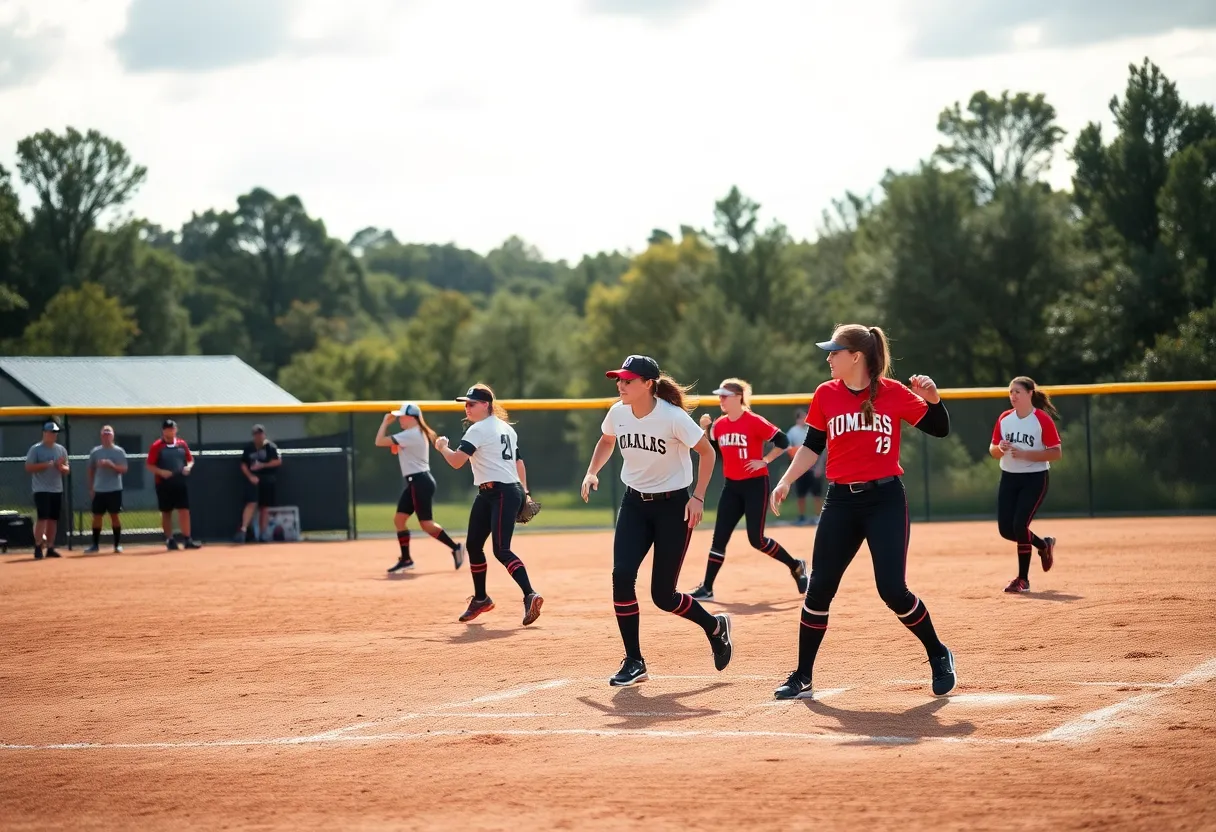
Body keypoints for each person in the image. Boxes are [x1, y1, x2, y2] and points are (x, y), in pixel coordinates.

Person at [770, 325, 956, 700]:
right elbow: (812, 445)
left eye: (834, 351)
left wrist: (934, 399)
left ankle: (938, 653)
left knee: (892, 590)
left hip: (884, 499)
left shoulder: (893, 392)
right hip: (840, 502)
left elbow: (939, 429)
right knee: (819, 588)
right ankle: (803, 675)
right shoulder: (826, 393)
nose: (828, 358)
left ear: (856, 356)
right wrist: (786, 480)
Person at [581, 354, 733, 687]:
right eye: (619, 380)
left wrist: (698, 497)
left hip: (673, 508)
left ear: (648, 384)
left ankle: (715, 627)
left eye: (628, 380)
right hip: (634, 504)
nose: (621, 385)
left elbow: (706, 453)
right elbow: (607, 441)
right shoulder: (618, 413)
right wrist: (592, 472)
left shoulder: (672, 417)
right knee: (621, 576)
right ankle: (635, 661)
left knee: (663, 596)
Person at [688, 378, 808, 602]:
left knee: (757, 540)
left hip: (755, 485)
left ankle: (796, 566)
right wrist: (706, 430)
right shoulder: (720, 425)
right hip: (731, 487)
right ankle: (707, 587)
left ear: (738, 397)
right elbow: (714, 451)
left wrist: (765, 460)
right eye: (720, 396)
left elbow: (783, 441)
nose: (721, 400)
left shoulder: (754, 421)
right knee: (719, 538)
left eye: (725, 396)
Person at [434, 383, 542, 626]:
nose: (467, 407)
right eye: (466, 403)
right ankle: (481, 599)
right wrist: (524, 492)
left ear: (486, 405)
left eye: (472, 403)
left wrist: (442, 448)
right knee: (473, 544)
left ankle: (530, 594)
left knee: (501, 549)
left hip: (502, 492)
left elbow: (456, 462)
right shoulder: (505, 428)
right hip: (493, 493)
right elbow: (519, 462)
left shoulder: (478, 430)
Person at [374, 401, 466, 573]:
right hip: (415, 482)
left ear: (412, 418)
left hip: (420, 482)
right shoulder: (411, 433)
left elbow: (379, 441)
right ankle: (407, 559)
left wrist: (386, 422)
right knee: (399, 520)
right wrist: (398, 444)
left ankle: (456, 547)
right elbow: (394, 449)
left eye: (403, 416)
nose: (400, 419)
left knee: (426, 524)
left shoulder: (412, 434)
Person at [989, 376, 1061, 593]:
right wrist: (999, 448)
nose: (1013, 396)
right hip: (1009, 477)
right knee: (1006, 530)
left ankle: (1023, 579)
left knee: (1020, 525)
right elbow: (992, 450)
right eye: (1011, 392)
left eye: (1018, 391)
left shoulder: (1041, 419)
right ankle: (1043, 544)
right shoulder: (1004, 418)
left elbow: (1056, 453)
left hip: (1035, 478)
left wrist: (1026, 454)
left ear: (1030, 393)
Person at [146, 419, 202, 550]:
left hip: (180, 482)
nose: (170, 430)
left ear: (176, 430)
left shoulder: (182, 444)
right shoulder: (157, 446)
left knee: (184, 511)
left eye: (172, 428)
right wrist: (161, 472)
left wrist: (188, 467)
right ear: (163, 430)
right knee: (166, 512)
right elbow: (149, 465)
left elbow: (190, 459)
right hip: (164, 484)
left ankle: (187, 539)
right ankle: (170, 539)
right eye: (167, 428)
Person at [24, 420, 69, 560]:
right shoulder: (36, 449)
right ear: (44, 433)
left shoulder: (61, 450)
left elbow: (67, 469)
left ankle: (50, 547)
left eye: (55, 432)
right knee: (42, 518)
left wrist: (61, 468)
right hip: (41, 489)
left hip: (56, 489)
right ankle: (38, 546)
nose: (54, 435)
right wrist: (47, 464)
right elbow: (29, 467)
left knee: (53, 520)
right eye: (51, 432)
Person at [235, 424, 282, 543]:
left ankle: (263, 534)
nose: (259, 436)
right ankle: (243, 530)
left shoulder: (271, 447)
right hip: (253, 480)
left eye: (260, 433)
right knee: (251, 503)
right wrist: (250, 476)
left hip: (267, 479)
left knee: (264, 507)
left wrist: (263, 465)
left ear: (264, 434)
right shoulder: (248, 448)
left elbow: (278, 461)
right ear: (253, 436)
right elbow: (243, 464)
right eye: (256, 434)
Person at [85, 425, 128, 553]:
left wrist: (111, 465)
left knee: (114, 516)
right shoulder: (95, 452)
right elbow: (90, 470)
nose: (106, 436)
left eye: (109, 433)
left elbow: (124, 469)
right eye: (104, 434)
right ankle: (95, 545)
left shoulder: (119, 452)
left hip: (114, 489)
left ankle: (117, 545)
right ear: (101, 436)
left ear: (113, 436)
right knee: (97, 516)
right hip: (99, 489)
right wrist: (91, 487)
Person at [786, 408, 825, 525]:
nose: (805, 420)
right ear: (798, 419)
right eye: (803, 417)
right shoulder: (792, 431)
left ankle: (818, 517)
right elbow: (787, 447)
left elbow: (821, 448)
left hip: (813, 467)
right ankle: (801, 516)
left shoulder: (811, 429)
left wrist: (819, 466)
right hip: (800, 468)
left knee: (817, 493)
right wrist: (793, 454)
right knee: (801, 494)